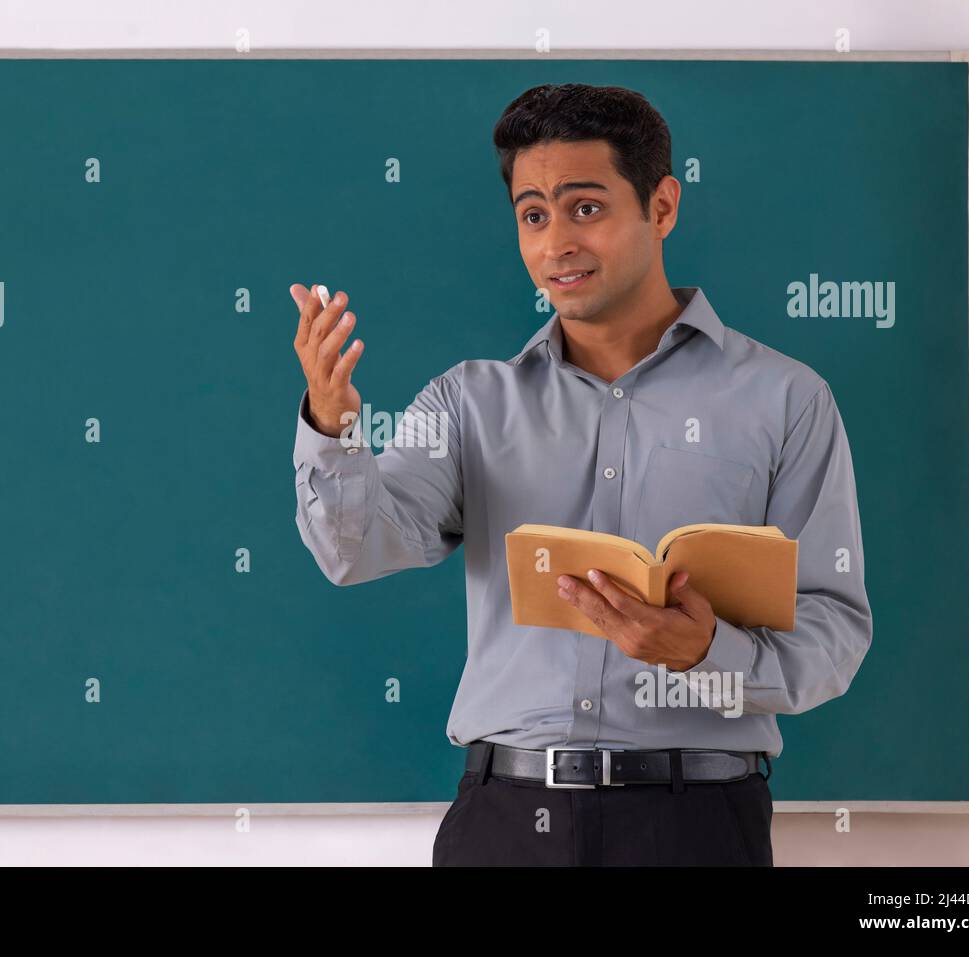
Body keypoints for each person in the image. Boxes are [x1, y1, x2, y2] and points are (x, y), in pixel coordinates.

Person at [288, 83, 872, 866]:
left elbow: (833, 631)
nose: (556, 242)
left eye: (586, 208)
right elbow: (354, 551)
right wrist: (334, 427)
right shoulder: (466, 401)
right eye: (533, 214)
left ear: (662, 206)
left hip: (697, 822)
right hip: (504, 818)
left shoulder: (787, 399)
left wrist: (704, 652)